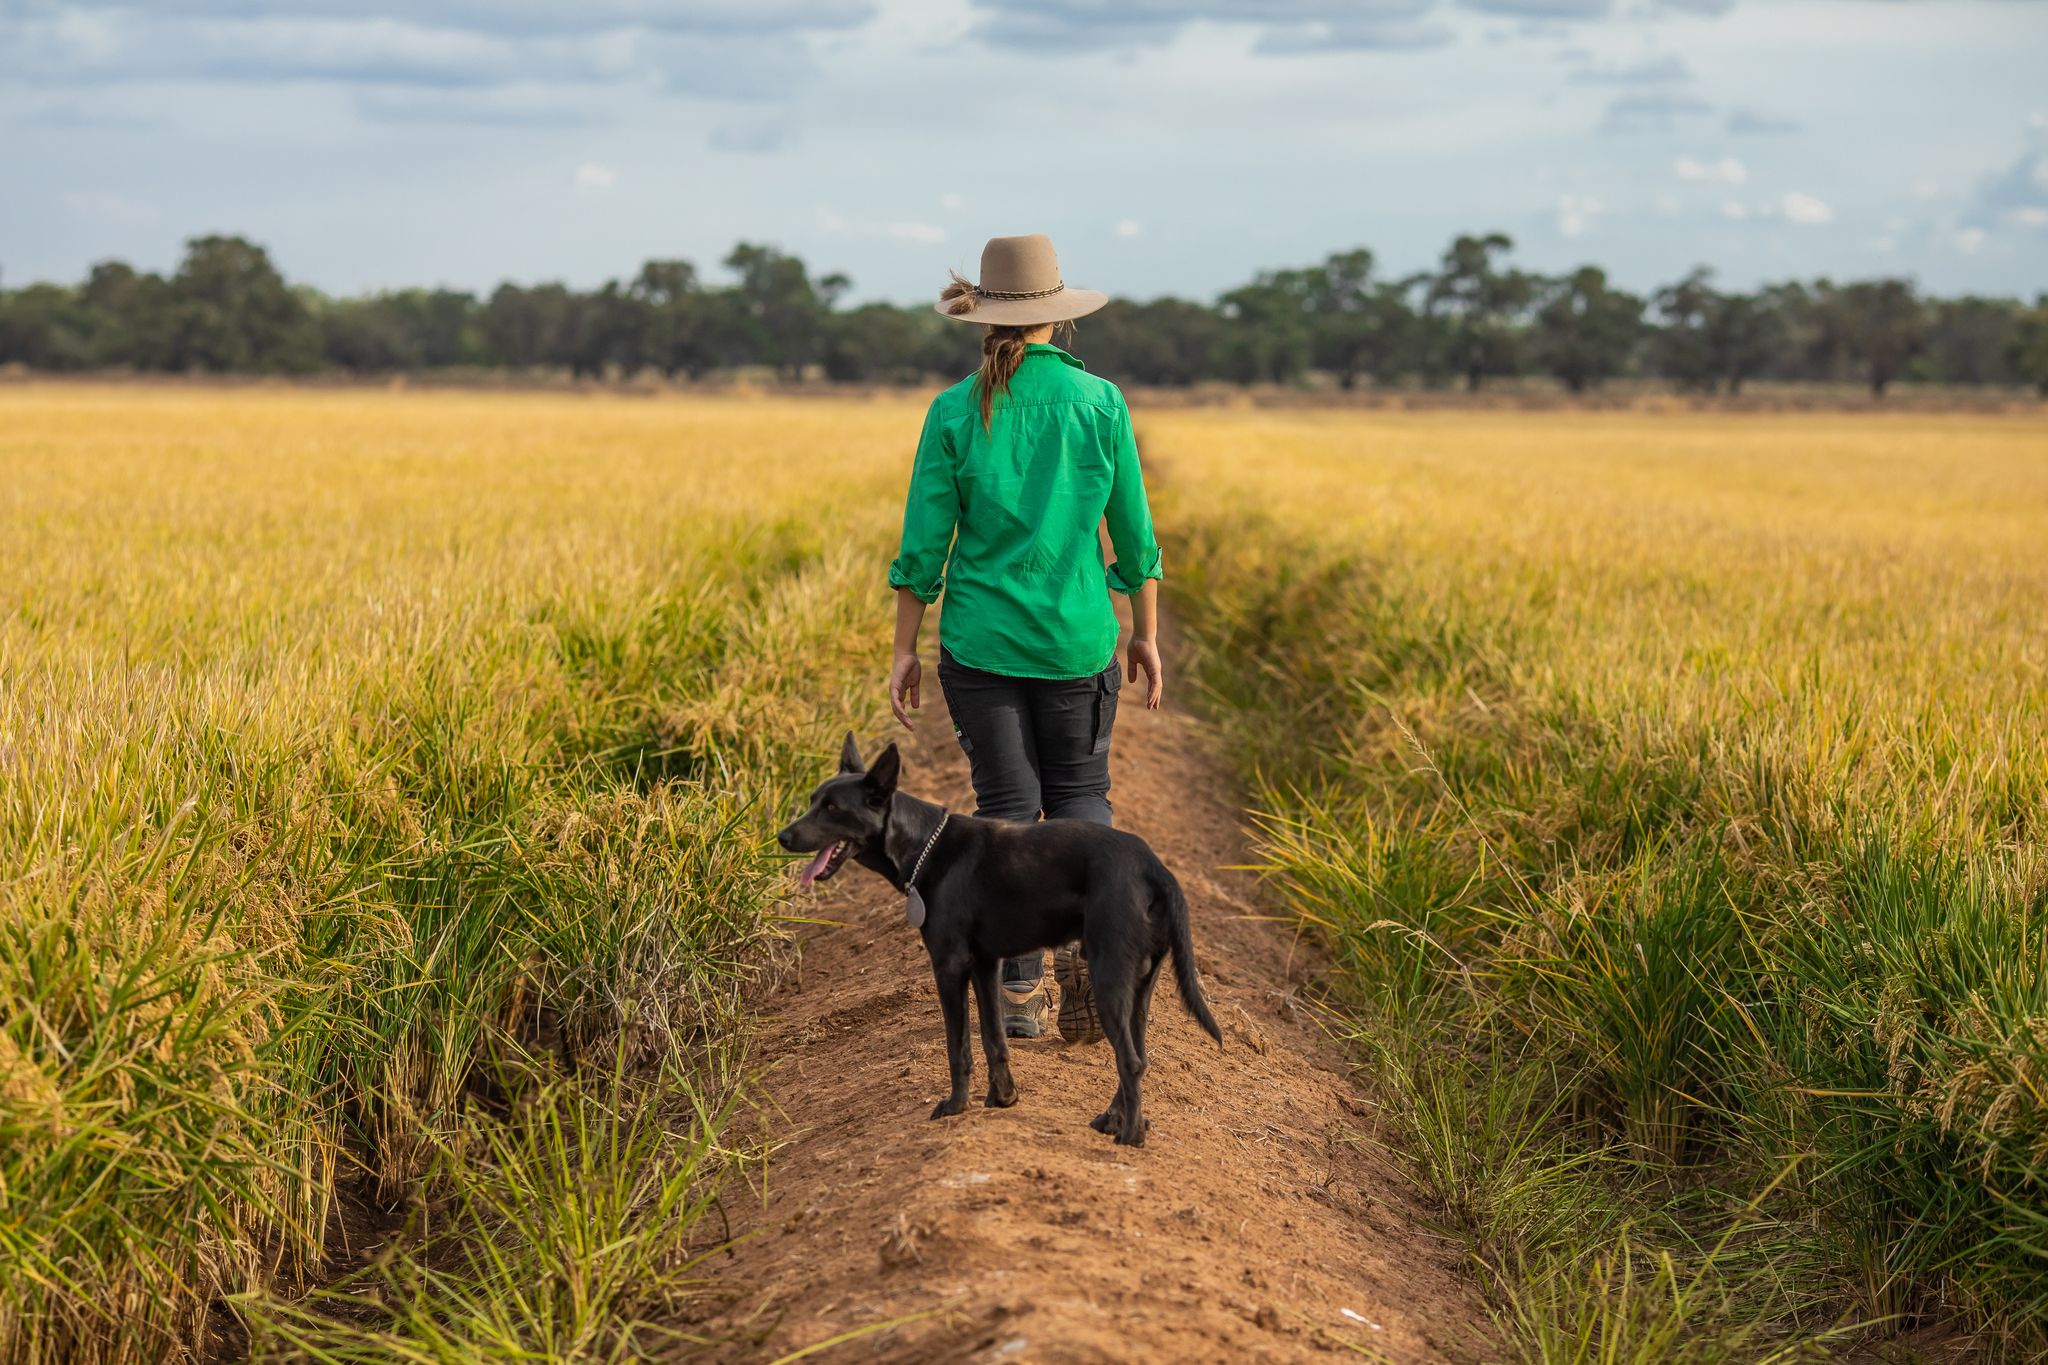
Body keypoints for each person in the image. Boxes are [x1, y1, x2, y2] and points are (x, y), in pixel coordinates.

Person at [886, 232, 1164, 1042]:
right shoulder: (1101, 403)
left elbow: (920, 548)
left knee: (1006, 810)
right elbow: (1135, 540)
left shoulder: (950, 410)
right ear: (1056, 316)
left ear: (984, 316)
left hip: (980, 645)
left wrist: (904, 648)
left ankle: (1017, 992)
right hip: (1078, 640)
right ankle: (1100, 960)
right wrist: (1143, 633)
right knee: (1081, 799)